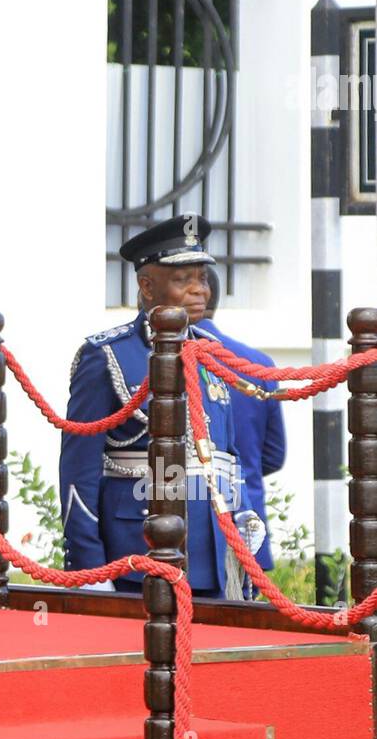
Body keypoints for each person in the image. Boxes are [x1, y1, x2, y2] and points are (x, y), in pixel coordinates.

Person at [59, 214, 248, 598]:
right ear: (147, 286)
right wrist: (91, 570)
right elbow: (79, 468)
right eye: (183, 280)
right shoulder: (107, 355)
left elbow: (228, 459)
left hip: (211, 555)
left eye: (202, 277)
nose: (201, 290)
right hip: (135, 553)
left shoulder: (212, 355)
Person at [198, 267, 282, 573]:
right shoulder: (258, 363)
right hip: (247, 523)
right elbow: (273, 454)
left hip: (185, 525)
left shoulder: (155, 358)